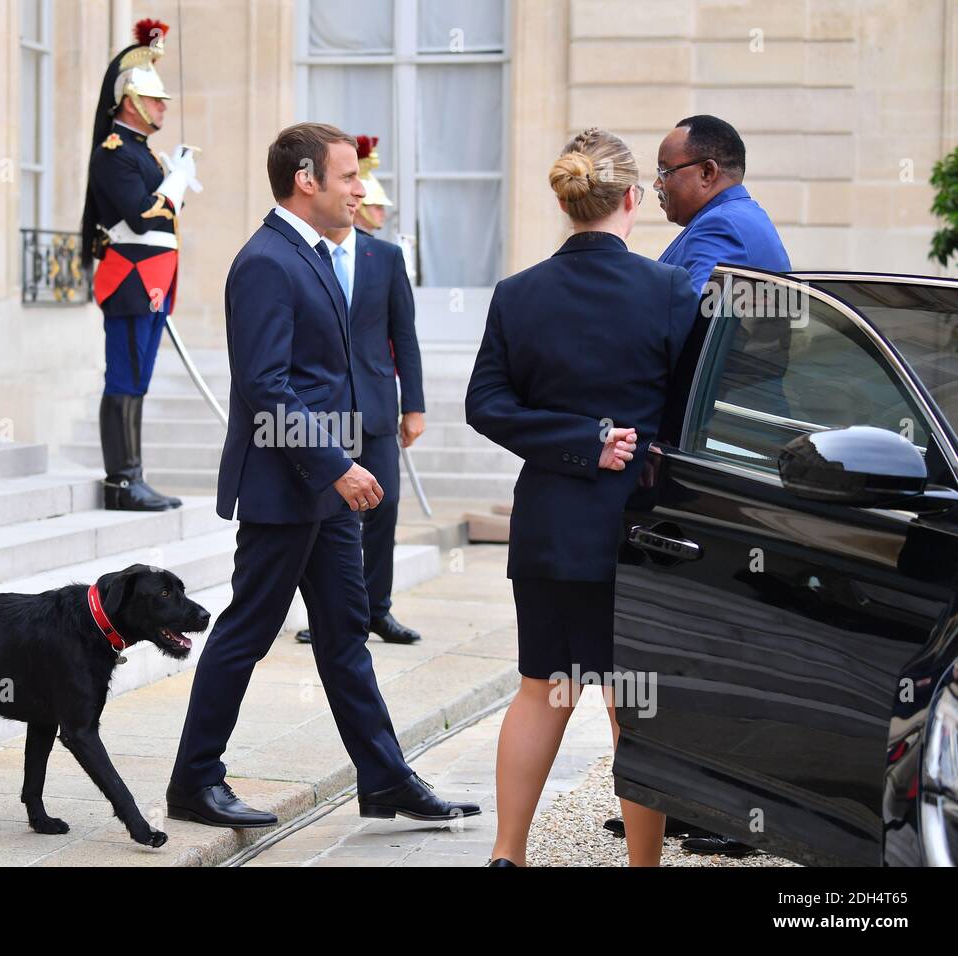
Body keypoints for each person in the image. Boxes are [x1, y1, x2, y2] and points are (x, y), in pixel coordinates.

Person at [166, 123, 478, 829]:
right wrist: (338, 466)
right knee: (245, 631)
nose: (359, 189)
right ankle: (193, 781)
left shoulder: (315, 254)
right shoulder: (267, 262)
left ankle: (386, 779)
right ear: (305, 180)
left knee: (345, 637)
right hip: (286, 489)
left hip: (324, 489)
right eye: (347, 178)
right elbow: (266, 385)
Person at [466, 128, 698, 866]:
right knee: (632, 705)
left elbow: (486, 405)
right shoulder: (669, 290)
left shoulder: (517, 293)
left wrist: (576, 440)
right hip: (642, 532)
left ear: (568, 203)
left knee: (543, 687)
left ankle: (507, 854)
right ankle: (641, 867)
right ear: (633, 197)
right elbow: (694, 414)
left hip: (550, 528)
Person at [601, 115, 794, 858]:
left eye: (666, 172)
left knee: (720, 637)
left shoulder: (723, 233)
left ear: (708, 171)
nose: (657, 189)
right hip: (721, 445)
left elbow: (661, 322)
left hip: (725, 455)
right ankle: (686, 800)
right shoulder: (730, 222)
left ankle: (733, 812)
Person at [296, 134, 425, 647]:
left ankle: (378, 609)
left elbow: (405, 336)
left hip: (375, 407)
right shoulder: (306, 258)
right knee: (329, 513)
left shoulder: (385, 257)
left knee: (384, 506)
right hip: (325, 413)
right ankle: (329, 613)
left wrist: (412, 405)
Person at [80, 18, 200, 511]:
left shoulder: (143, 153)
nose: (162, 108)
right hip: (130, 276)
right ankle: (122, 480)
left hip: (151, 277)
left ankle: (134, 476)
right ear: (131, 101)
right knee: (125, 379)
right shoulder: (115, 152)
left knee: (138, 380)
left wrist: (172, 176)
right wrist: (173, 184)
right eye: (155, 100)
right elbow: (141, 212)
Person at [655, 114, 790, 293]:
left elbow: (697, 316)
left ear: (707, 173)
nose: (657, 184)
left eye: (665, 172)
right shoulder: (739, 217)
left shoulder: (720, 226)